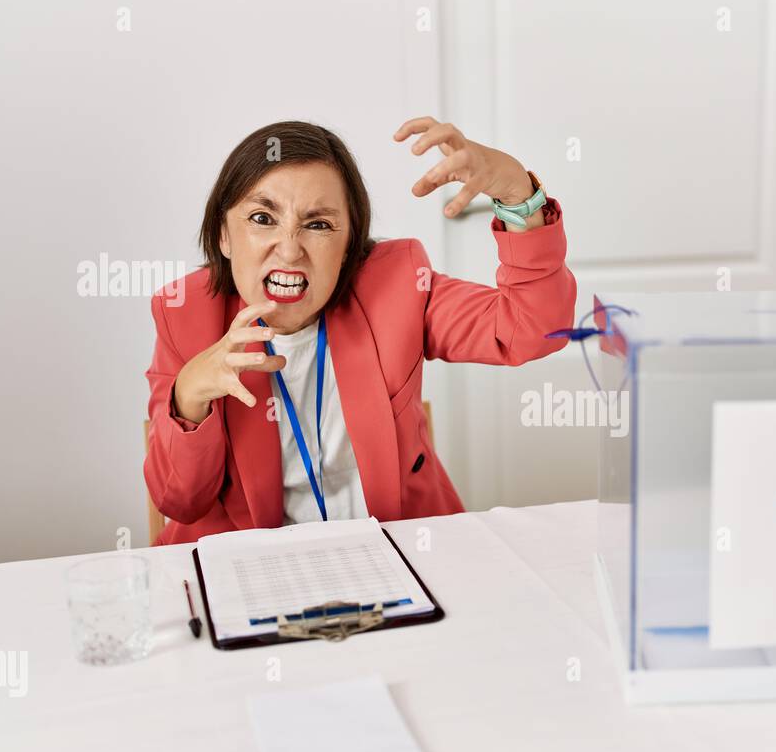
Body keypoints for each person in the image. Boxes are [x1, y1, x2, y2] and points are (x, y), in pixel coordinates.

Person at [143, 118, 576, 544]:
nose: (290, 249)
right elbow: (179, 501)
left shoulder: (397, 288)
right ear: (223, 235)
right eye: (262, 218)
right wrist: (189, 395)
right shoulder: (188, 314)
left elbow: (533, 328)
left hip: (402, 556)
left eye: (318, 224)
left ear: (350, 243)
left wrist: (518, 192)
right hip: (252, 574)